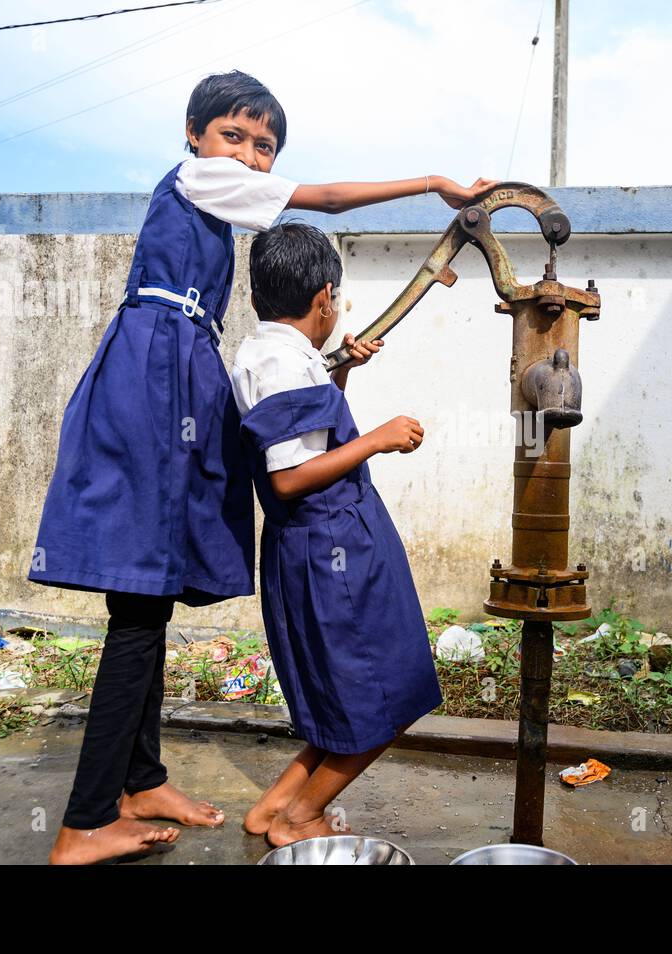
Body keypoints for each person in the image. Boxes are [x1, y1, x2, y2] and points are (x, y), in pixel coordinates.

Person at [30, 68, 498, 864]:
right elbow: (328, 199)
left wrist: (335, 364)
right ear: (194, 136)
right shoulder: (194, 179)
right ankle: (83, 821)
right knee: (140, 602)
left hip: (179, 366)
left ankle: (139, 780)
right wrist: (435, 185)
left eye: (265, 147)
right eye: (235, 137)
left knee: (150, 598)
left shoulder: (221, 243)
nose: (250, 158)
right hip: (155, 374)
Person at [233, 222, 441, 847]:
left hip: (317, 543)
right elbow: (292, 475)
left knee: (345, 693)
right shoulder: (281, 362)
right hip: (333, 547)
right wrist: (379, 436)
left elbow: (307, 433)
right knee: (387, 694)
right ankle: (299, 819)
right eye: (335, 301)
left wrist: (342, 370)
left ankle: (274, 806)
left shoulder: (271, 352)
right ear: (324, 297)